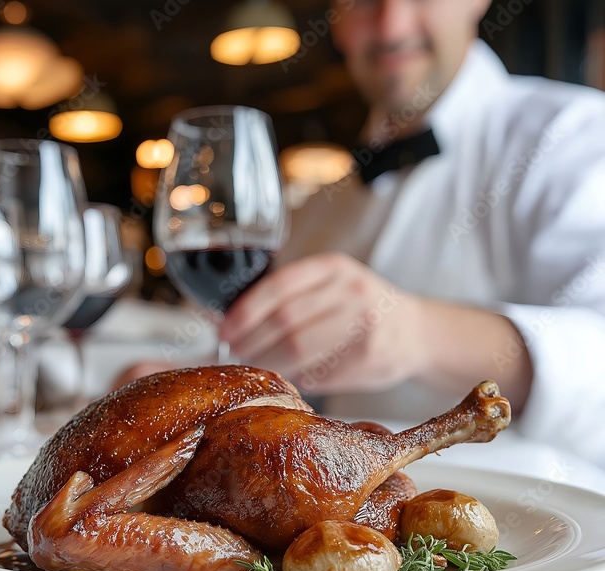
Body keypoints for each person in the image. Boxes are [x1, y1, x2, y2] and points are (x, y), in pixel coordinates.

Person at [126, 0, 605, 466]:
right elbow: (281, 367)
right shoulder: (320, 209)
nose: (391, 25)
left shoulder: (576, 132)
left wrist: (416, 333)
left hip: (544, 512)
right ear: (336, 21)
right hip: (341, 511)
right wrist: (191, 381)